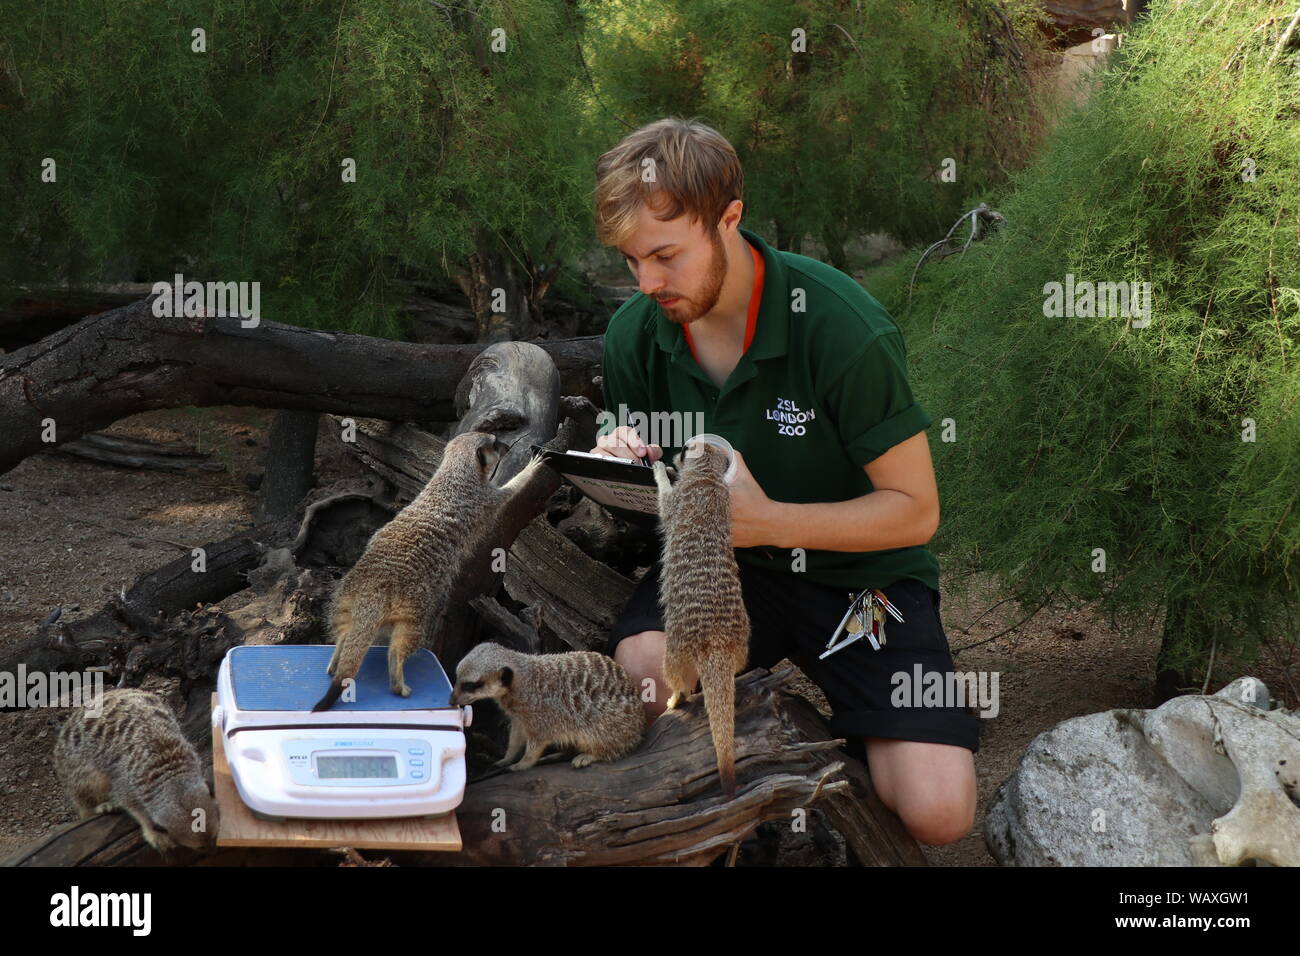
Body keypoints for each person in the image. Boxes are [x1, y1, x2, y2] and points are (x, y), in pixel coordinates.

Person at [588, 117, 978, 846]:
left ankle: (833, 752)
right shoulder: (634, 333)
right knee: (645, 676)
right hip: (720, 571)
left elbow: (916, 511)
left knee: (939, 813)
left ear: (729, 218)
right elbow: (655, 482)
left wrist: (772, 522)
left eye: (666, 255)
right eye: (632, 259)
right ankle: (744, 788)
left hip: (864, 579)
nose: (647, 283)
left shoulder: (838, 324)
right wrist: (622, 459)